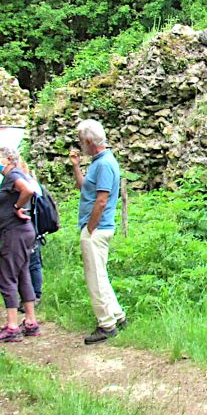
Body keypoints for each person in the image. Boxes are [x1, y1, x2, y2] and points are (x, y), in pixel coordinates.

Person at [70, 119, 125, 344]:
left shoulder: (103, 164)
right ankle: (118, 316)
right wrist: (75, 166)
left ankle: (106, 324)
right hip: (99, 228)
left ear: (90, 141)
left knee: (95, 278)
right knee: (100, 275)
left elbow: (101, 200)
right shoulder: (100, 161)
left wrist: (90, 228)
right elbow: (84, 187)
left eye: (82, 141)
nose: (80, 145)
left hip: (97, 229)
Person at [0, 147, 39, 342]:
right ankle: (30, 322)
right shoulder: (15, 175)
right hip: (21, 233)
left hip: (14, 234)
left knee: (7, 277)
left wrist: (17, 207)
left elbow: (28, 190)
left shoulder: (13, 174)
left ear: (9, 159)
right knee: (22, 274)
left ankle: (12, 326)